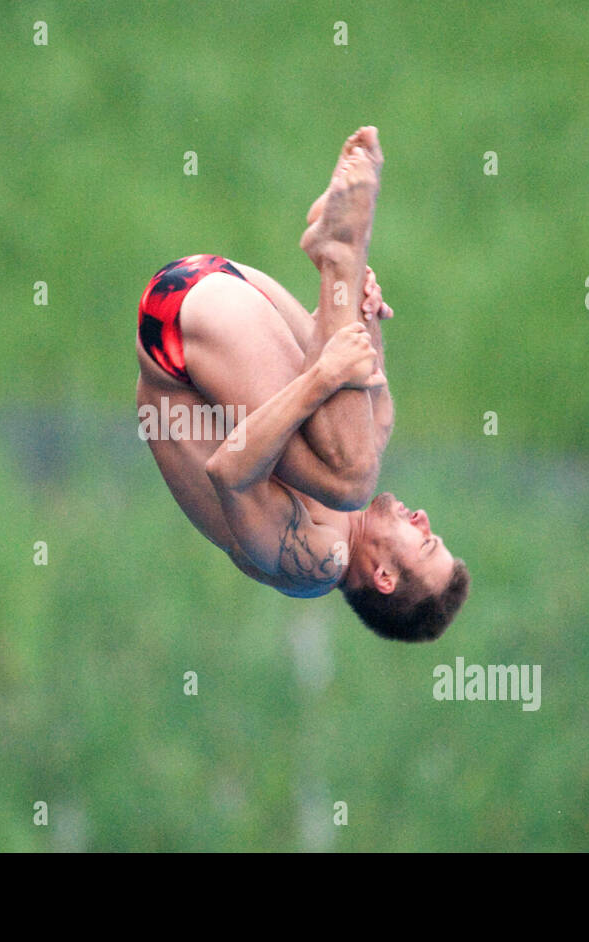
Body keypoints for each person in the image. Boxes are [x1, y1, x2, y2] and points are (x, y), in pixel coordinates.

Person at [135, 128, 469, 641]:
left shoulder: (313, 564)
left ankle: (340, 253)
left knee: (354, 475)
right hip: (223, 295)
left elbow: (229, 470)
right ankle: (338, 265)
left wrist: (323, 378)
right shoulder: (346, 493)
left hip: (178, 336)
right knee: (374, 425)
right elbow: (296, 374)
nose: (423, 518)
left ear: (383, 578)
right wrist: (361, 313)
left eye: (424, 542)